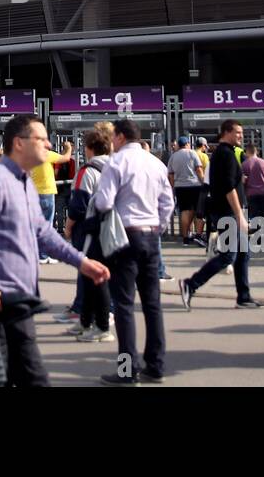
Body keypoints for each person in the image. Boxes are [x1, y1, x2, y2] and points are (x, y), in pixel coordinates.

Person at [0, 114, 110, 386]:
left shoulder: (26, 183)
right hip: (0, 299)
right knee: (33, 377)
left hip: (20, 299)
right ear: (19, 143)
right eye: (40, 139)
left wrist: (82, 262)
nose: (48, 144)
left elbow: (43, 233)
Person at [92, 118, 174, 385]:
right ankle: (156, 365)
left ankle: (127, 370)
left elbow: (103, 202)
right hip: (150, 236)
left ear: (120, 137)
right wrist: (157, 227)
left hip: (125, 236)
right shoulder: (155, 163)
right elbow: (167, 203)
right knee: (152, 303)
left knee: (124, 305)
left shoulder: (116, 162)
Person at [180, 120, 264, 310]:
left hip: (230, 212)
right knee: (228, 256)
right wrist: (239, 215)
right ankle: (190, 284)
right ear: (226, 132)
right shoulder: (225, 154)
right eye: (237, 132)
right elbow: (228, 188)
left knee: (243, 254)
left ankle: (244, 296)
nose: (241, 136)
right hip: (228, 213)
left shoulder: (224, 153)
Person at [64, 127, 113, 342]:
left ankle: (97, 324)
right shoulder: (115, 167)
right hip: (111, 228)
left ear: (89, 147)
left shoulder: (87, 171)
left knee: (90, 274)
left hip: (89, 228)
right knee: (101, 273)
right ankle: (85, 320)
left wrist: (68, 226)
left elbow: (78, 205)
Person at [28, 138, 71, 264]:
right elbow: (66, 158)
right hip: (47, 193)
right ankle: (43, 255)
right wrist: (68, 148)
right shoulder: (46, 154)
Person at [168, 136, 206, 246]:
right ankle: (198, 235)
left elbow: (170, 174)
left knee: (184, 211)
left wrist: (173, 185)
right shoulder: (192, 153)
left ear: (179, 145)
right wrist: (203, 181)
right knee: (197, 211)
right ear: (188, 144)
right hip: (194, 185)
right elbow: (199, 169)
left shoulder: (173, 157)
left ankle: (185, 238)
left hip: (180, 187)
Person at [242, 143, 264, 241]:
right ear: (256, 151)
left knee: (254, 216)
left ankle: (258, 237)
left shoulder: (244, 164)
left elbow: (243, 181)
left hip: (251, 193)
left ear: (247, 152)